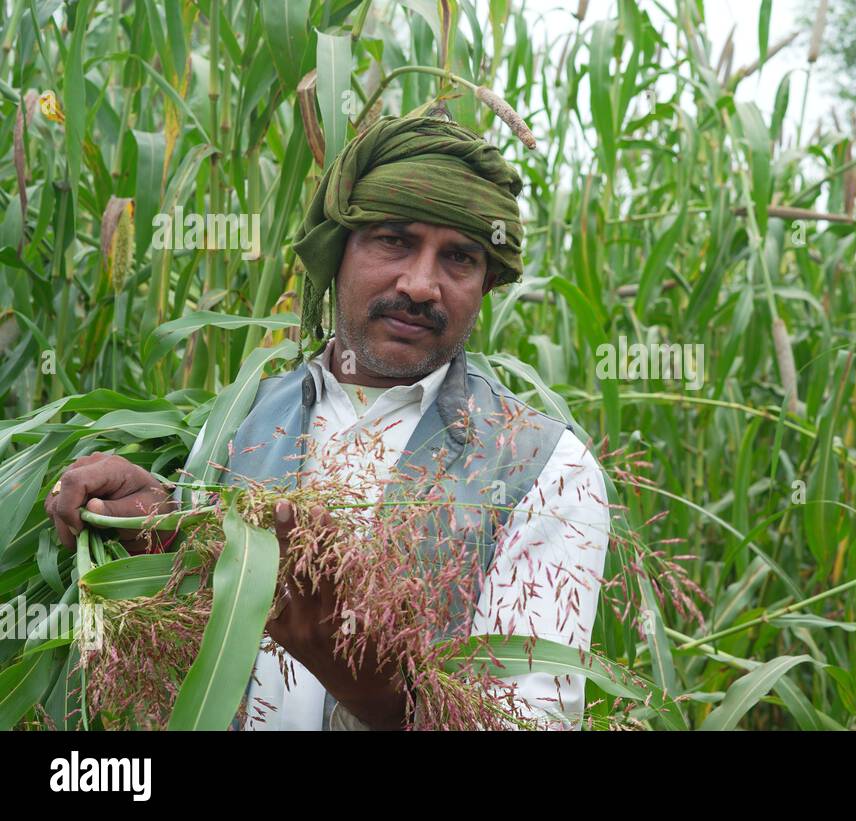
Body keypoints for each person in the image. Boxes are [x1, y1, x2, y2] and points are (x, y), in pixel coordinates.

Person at [42, 107, 610, 731]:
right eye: (393, 239)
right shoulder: (245, 418)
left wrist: (374, 686)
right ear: (337, 250)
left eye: (460, 258)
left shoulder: (543, 470)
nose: (421, 284)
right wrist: (157, 526)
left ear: (487, 281)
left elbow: (533, 722)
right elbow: (210, 607)